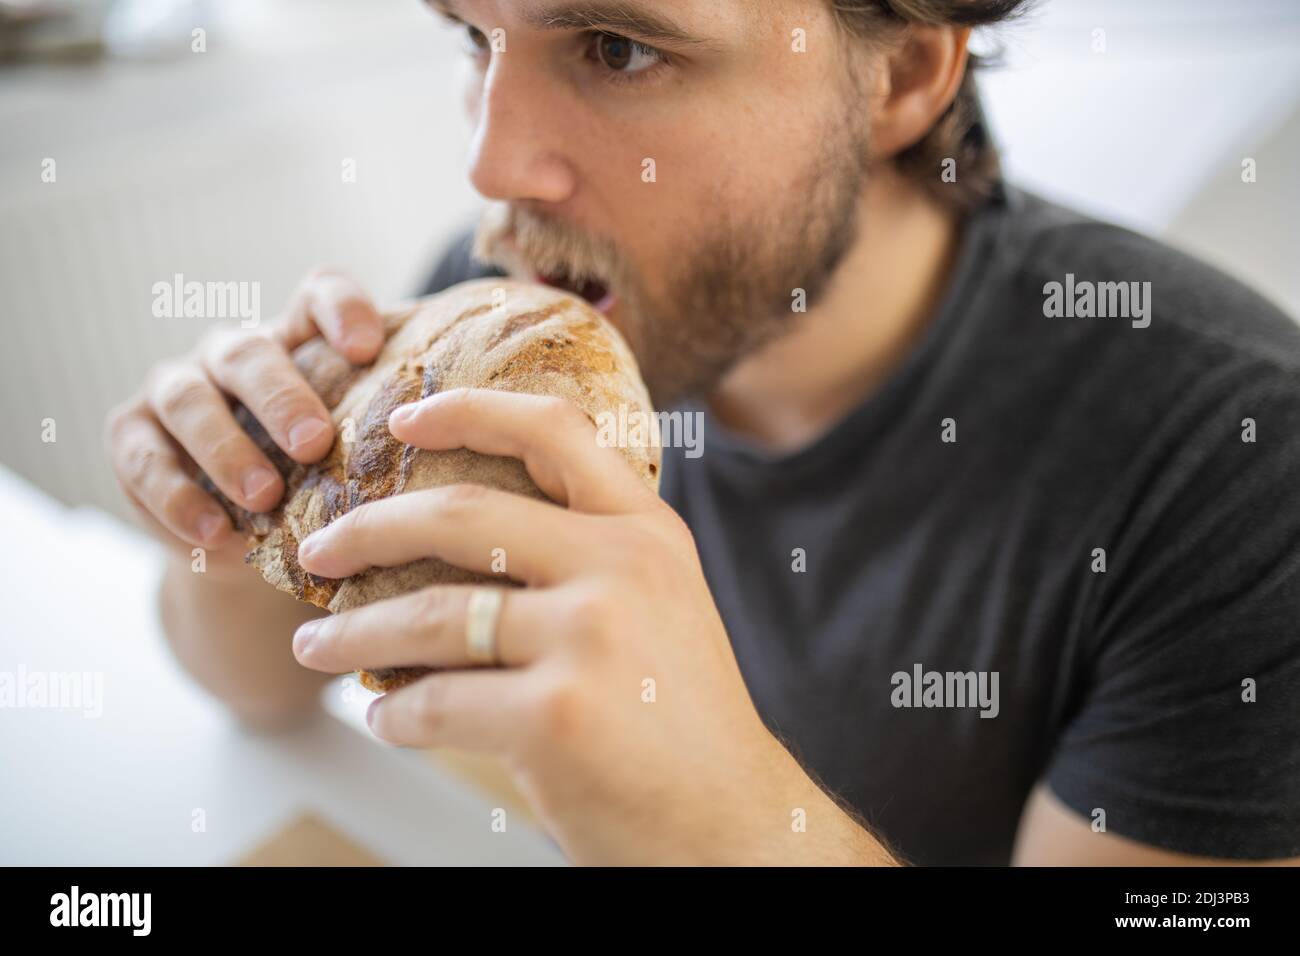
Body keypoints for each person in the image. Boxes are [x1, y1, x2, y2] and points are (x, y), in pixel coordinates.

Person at [105, 0, 1300, 865]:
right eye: (475, 37)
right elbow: (248, 683)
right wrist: (245, 493)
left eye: (617, 48)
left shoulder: (1238, 466)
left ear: (901, 78)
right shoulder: (508, 309)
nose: (492, 164)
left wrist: (722, 816)